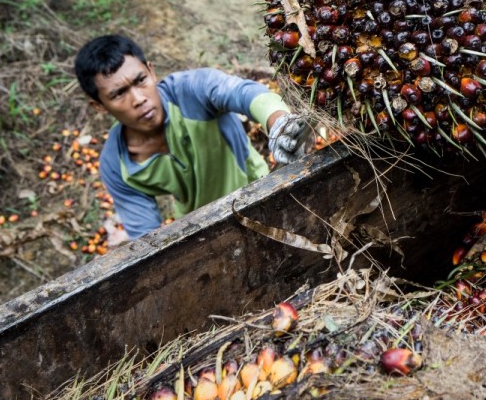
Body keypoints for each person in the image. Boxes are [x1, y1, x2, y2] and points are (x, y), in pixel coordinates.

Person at [74, 34, 311, 245]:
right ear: (99, 106)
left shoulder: (191, 90)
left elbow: (246, 94)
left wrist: (279, 123)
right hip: (198, 228)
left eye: (140, 81)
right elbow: (145, 239)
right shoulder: (117, 164)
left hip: (257, 189)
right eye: (118, 94)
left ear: (151, 71)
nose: (138, 99)